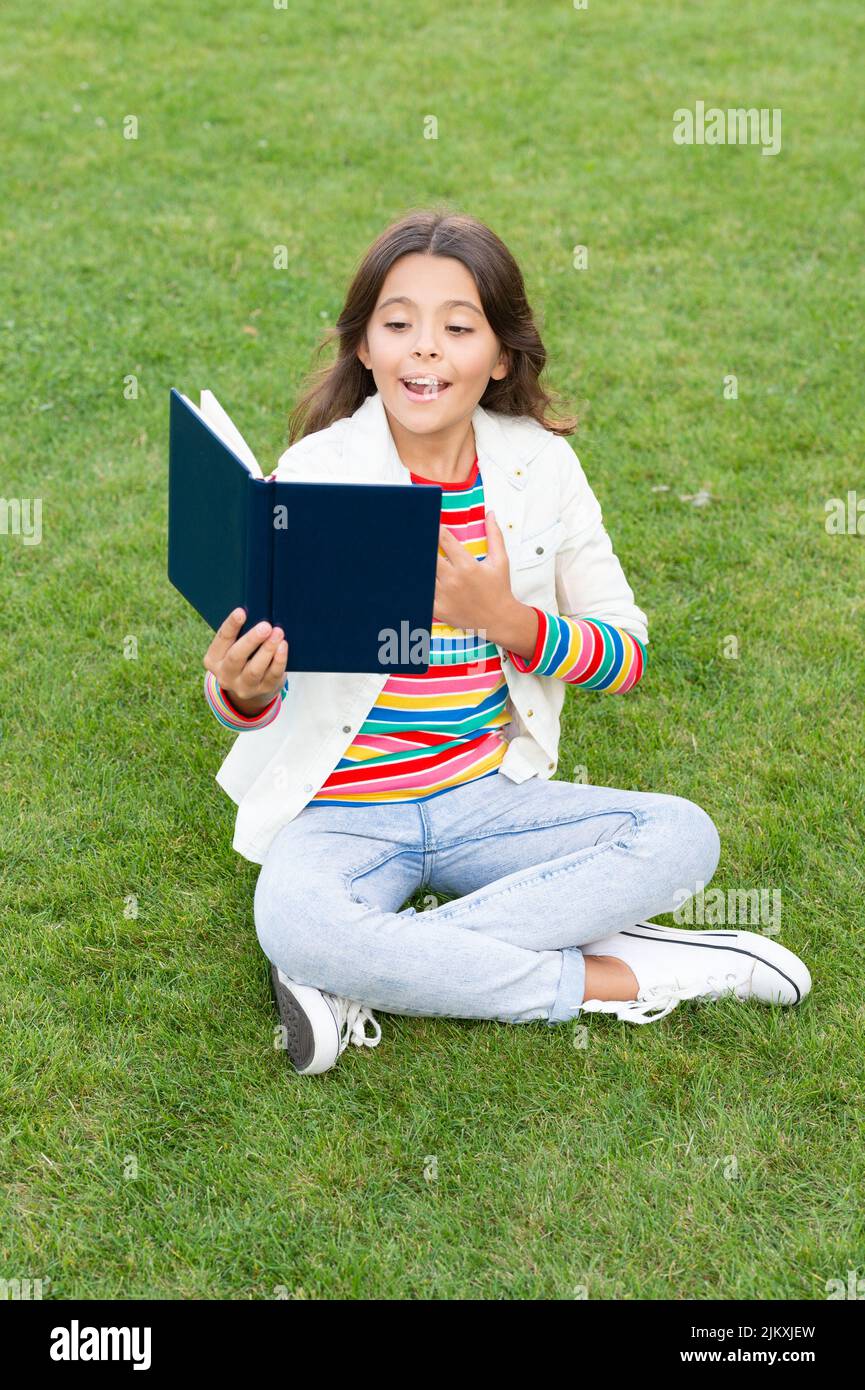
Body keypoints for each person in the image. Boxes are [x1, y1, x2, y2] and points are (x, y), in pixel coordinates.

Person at [201, 208, 811, 1075]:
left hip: (484, 796)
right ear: (364, 348)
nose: (424, 349)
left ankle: (361, 971)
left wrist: (508, 621)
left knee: (681, 839)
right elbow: (266, 683)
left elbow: (627, 653)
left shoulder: (540, 468)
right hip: (338, 810)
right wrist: (244, 690)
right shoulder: (316, 472)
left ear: (498, 357)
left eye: (457, 327)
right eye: (397, 323)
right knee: (292, 921)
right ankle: (622, 973)